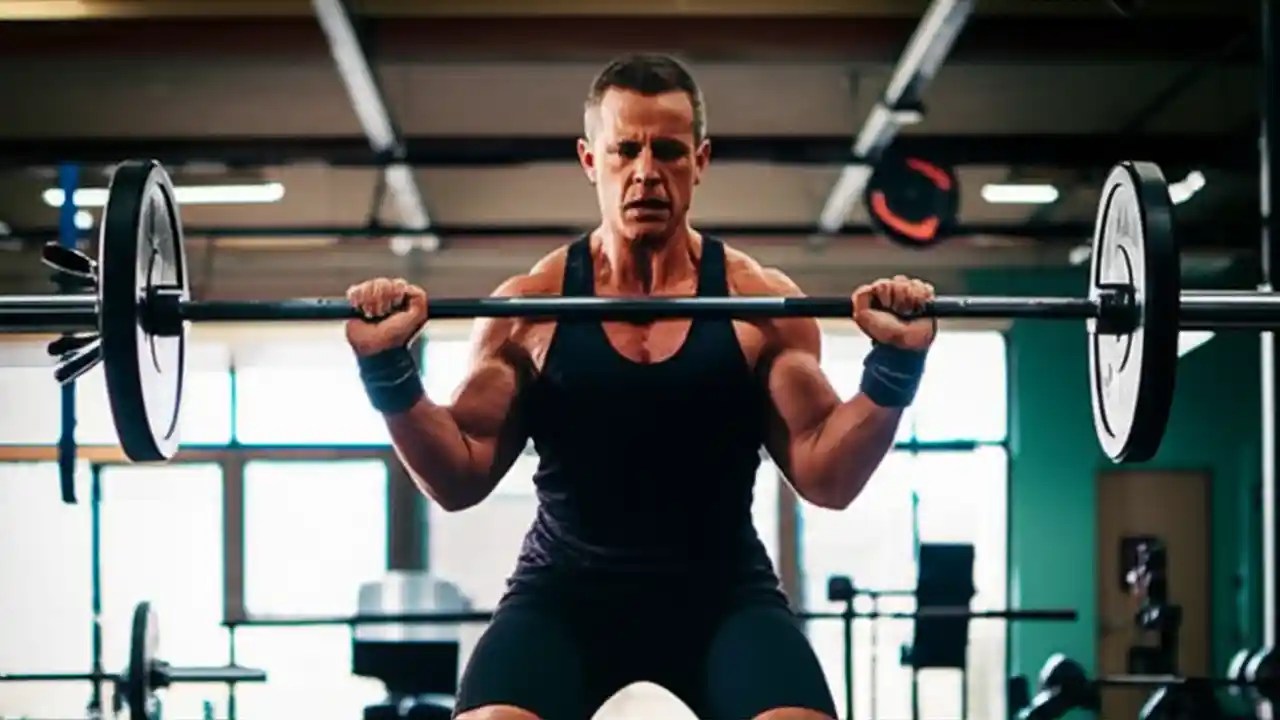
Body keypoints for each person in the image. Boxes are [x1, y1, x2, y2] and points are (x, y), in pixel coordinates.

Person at [345, 54, 936, 720]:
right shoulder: (528, 308)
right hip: (565, 593)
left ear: (701, 161)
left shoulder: (760, 304)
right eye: (625, 149)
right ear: (591, 160)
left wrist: (894, 369)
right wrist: (388, 371)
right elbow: (460, 473)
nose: (646, 172)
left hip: (721, 593)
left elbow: (827, 475)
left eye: (669, 151)